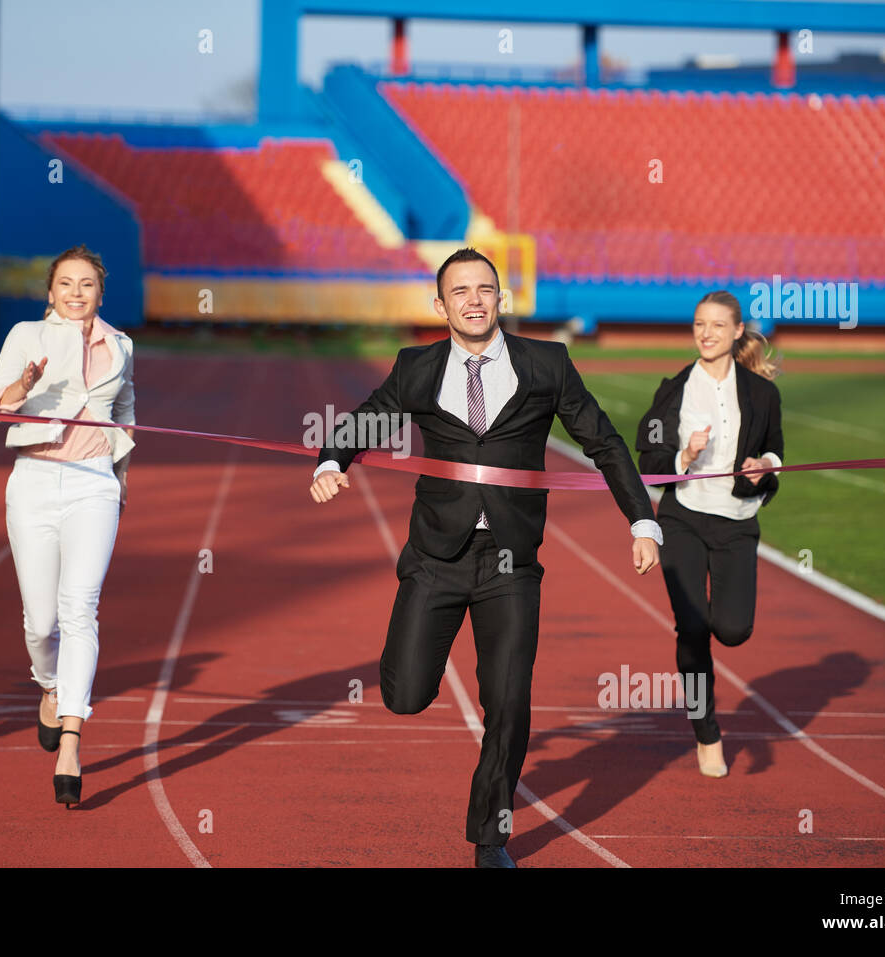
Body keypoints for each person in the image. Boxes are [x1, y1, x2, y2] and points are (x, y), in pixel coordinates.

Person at [309, 248, 661, 867]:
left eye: (485, 289)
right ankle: (408, 668)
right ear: (439, 305)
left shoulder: (545, 364)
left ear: (501, 298)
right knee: (406, 694)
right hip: (435, 557)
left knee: (509, 701)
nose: (474, 300)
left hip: (511, 562)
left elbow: (602, 441)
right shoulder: (416, 367)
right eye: (460, 291)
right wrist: (334, 460)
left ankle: (489, 836)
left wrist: (642, 522)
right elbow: (367, 420)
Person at [0, 244, 134, 808]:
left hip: (94, 482)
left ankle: (72, 739)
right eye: (65, 284)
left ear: (99, 291)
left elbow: (126, 406)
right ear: (50, 292)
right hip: (35, 481)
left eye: (86, 284)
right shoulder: (26, 335)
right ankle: (49, 685)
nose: (75, 293)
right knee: (41, 624)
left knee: (80, 608)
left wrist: (121, 472)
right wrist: (22, 387)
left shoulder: (121, 344)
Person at [634, 290, 783, 778]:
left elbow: (775, 452)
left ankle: (709, 700)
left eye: (718, 325)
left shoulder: (762, 394)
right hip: (684, 519)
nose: (706, 333)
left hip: (738, 523)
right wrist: (684, 459)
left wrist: (764, 467)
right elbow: (650, 463)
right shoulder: (674, 391)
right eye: (700, 324)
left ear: (737, 331)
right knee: (692, 628)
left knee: (734, 631)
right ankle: (707, 732)